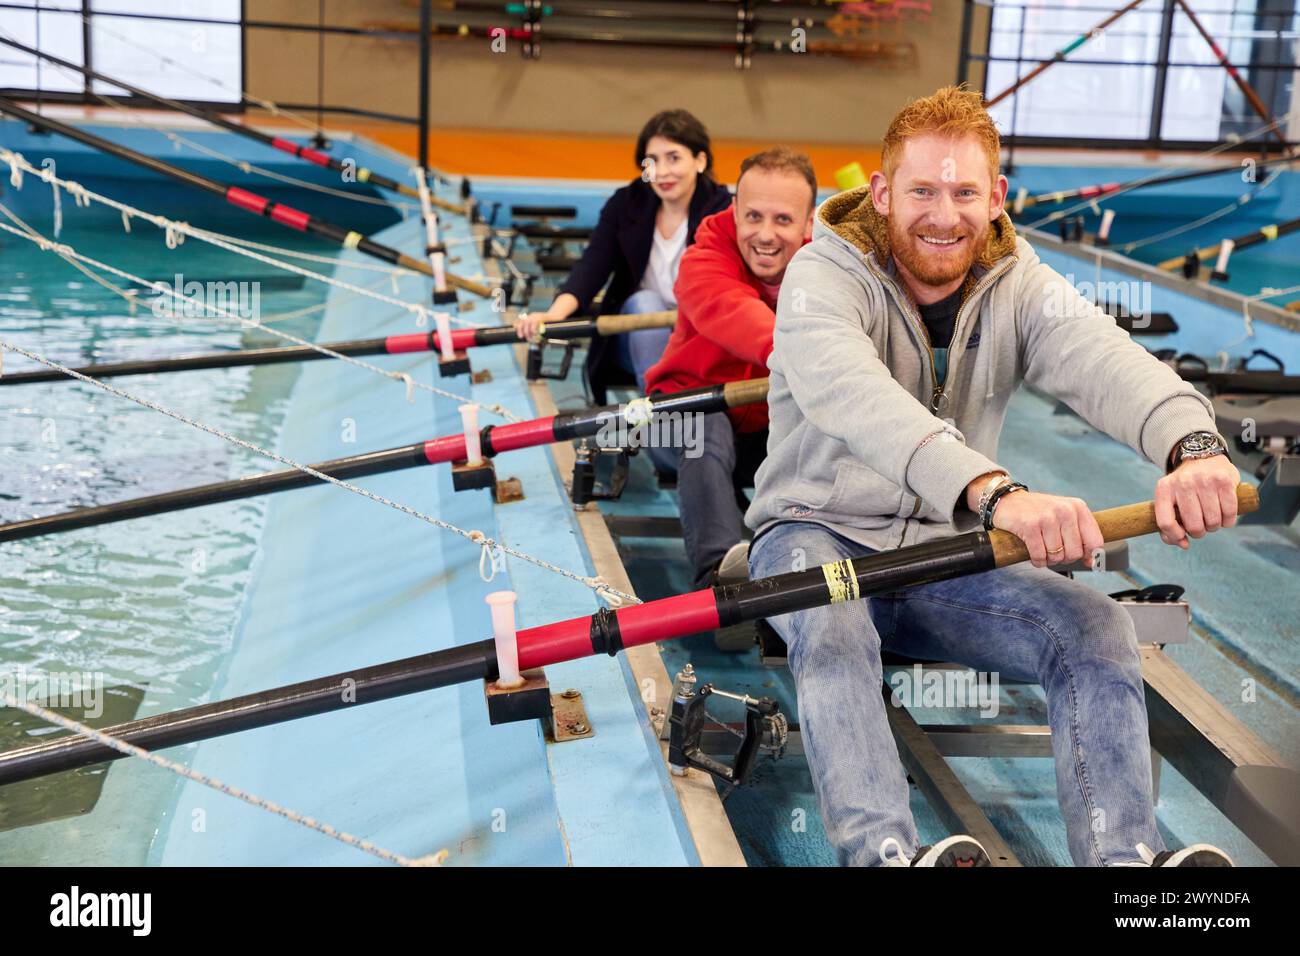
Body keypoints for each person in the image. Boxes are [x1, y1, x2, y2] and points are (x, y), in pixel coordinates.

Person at [746, 86, 1240, 868]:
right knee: (837, 626)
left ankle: (1125, 863)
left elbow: (1102, 358)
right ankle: (883, 856)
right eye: (922, 191)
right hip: (815, 534)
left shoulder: (1019, 281)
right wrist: (996, 494)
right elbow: (861, 401)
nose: (944, 214)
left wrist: (1193, 442)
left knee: (1094, 625)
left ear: (996, 197)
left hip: (945, 556)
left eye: (965, 192)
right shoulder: (820, 277)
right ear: (881, 193)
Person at [645, 146, 816, 590]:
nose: (766, 234)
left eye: (783, 220)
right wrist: (814, 359)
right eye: (754, 216)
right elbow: (736, 312)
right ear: (735, 211)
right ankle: (721, 578)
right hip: (679, 419)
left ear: (809, 222)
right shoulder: (702, 262)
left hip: (763, 435)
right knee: (707, 425)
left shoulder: (828, 271)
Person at [514, 109, 732, 401]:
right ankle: (661, 413)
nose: (662, 171)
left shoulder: (723, 210)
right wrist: (554, 314)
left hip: (698, 339)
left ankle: (666, 419)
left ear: (700, 160)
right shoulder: (626, 204)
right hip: (634, 334)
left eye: (674, 158)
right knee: (645, 302)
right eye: (652, 161)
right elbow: (592, 266)